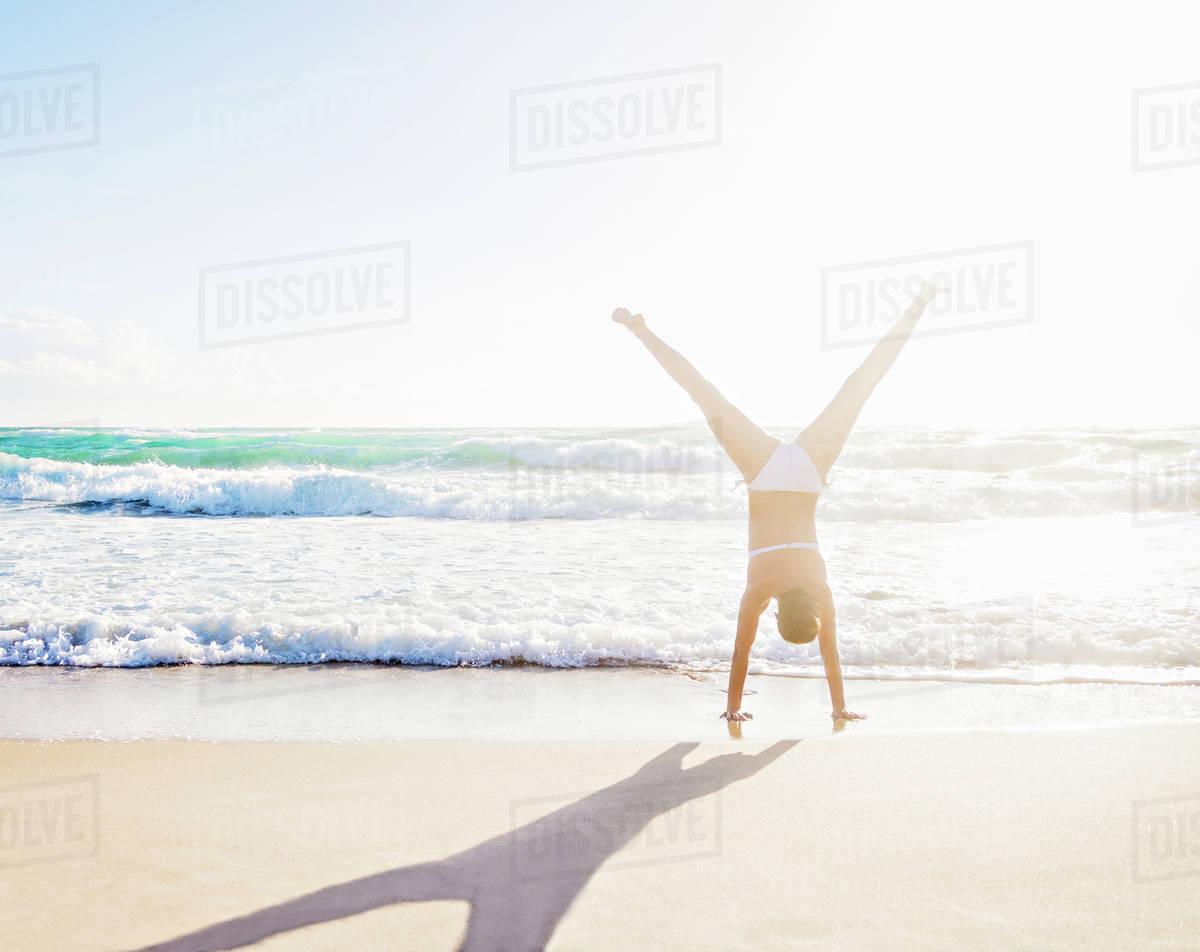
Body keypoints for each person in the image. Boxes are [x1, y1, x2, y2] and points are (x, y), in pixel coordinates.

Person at [612, 282, 944, 723]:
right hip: (764, 472)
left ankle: (917, 305)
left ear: (808, 611)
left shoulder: (819, 587)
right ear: (778, 614)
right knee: (704, 394)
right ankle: (640, 331)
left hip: (807, 473)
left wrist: (841, 705)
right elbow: (741, 652)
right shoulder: (759, 591)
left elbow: (831, 650)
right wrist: (731, 710)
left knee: (861, 384)